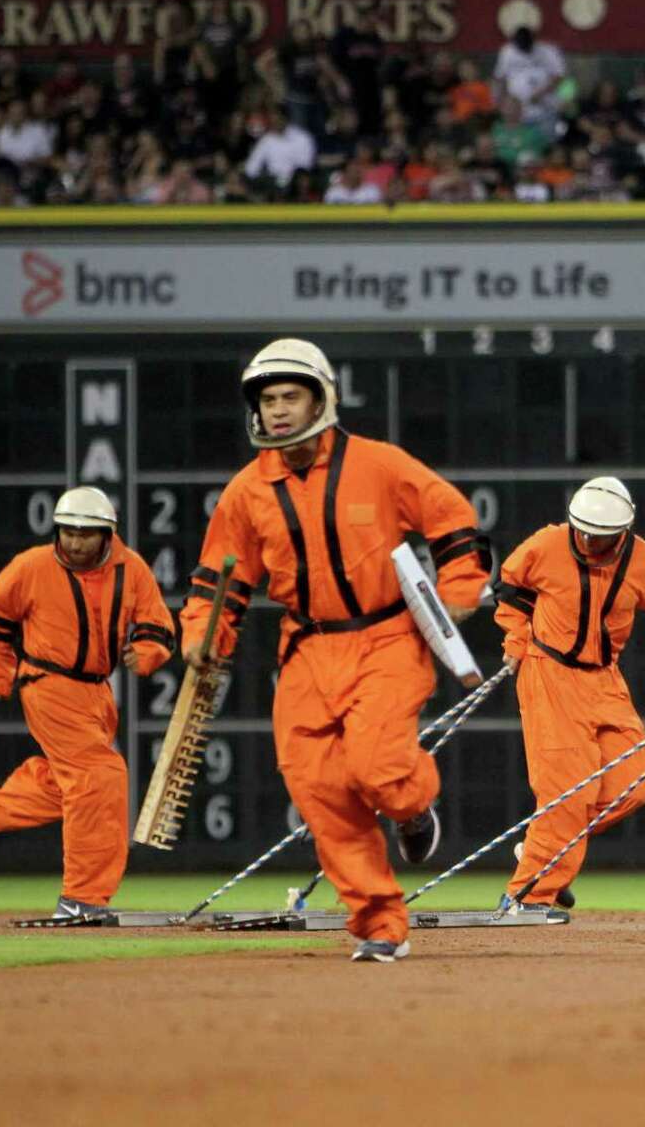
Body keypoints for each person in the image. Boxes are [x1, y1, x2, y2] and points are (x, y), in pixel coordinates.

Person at [179, 339, 493, 962]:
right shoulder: (246, 492)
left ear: (322, 397)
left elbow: (450, 516)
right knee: (318, 789)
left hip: (388, 638)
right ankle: (378, 924)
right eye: (268, 400)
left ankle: (415, 806)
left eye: (291, 396)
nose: (278, 411)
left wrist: (461, 587)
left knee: (379, 768)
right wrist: (204, 635)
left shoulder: (379, 465)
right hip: (306, 650)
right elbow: (221, 576)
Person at [492, 477, 645, 921]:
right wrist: (516, 640)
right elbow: (511, 592)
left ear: (624, 531)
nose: (590, 539)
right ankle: (526, 897)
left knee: (633, 785)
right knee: (566, 794)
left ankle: (543, 846)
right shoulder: (546, 544)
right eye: (583, 529)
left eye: (601, 533)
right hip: (548, 673)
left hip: (606, 680)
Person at [0, 487, 176, 919]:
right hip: (48, 683)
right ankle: (82, 898)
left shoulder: (133, 570)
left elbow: (156, 624)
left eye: (85, 533)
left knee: (65, 785)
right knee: (100, 776)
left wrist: (148, 652)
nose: (74, 541)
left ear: (108, 534)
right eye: (67, 531)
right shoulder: (31, 566)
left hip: (97, 693)